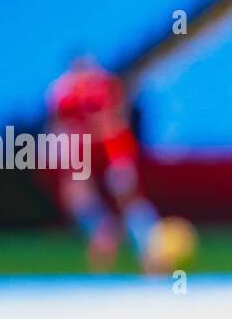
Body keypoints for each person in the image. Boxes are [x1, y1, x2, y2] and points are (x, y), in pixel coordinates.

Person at [46, 55, 159, 272]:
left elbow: (114, 119)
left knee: (127, 198)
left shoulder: (100, 85)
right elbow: (60, 124)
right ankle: (104, 231)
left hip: (110, 146)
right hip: (88, 147)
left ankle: (148, 247)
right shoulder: (65, 90)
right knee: (78, 196)